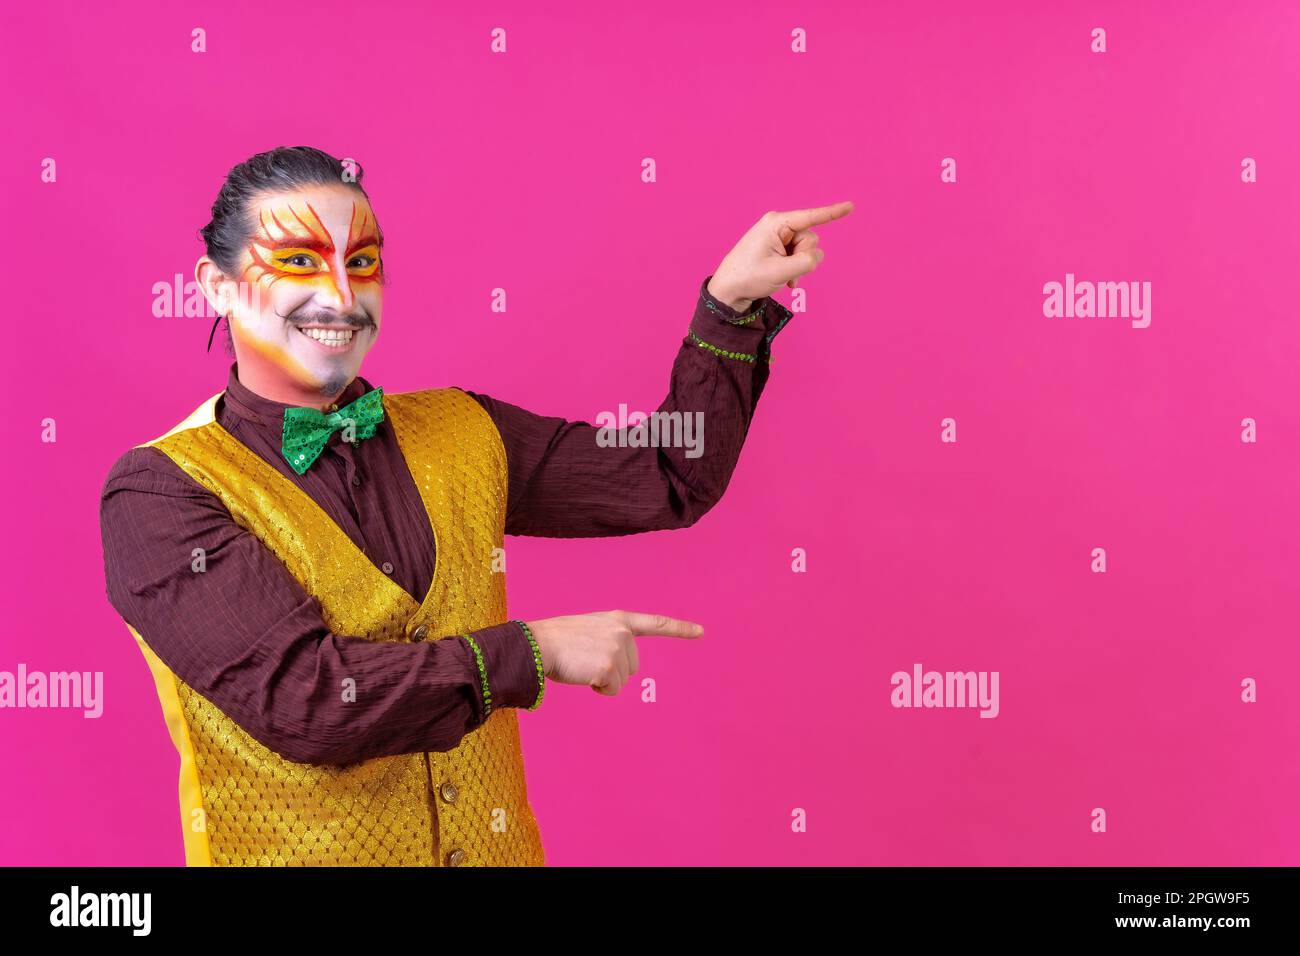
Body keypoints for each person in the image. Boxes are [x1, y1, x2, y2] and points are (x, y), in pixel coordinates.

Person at [99, 145, 853, 866]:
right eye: (299, 261)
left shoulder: (465, 429)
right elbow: (308, 700)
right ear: (216, 284)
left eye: (362, 263)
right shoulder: (160, 494)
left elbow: (666, 474)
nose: (339, 296)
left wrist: (730, 303)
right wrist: (533, 651)